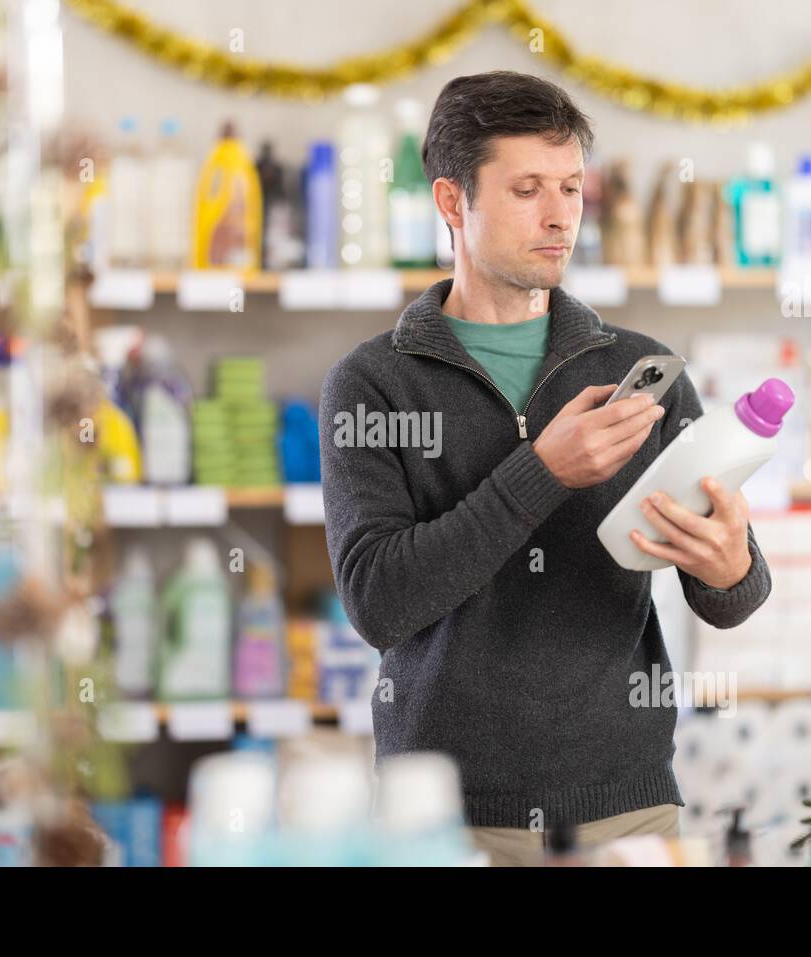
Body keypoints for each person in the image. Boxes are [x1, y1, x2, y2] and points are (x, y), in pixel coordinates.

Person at [318, 70, 772, 867]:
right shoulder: (373, 383)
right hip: (443, 820)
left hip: (626, 810)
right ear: (453, 202)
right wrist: (542, 470)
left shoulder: (641, 367)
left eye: (570, 186)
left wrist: (730, 561)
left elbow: (732, 596)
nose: (560, 213)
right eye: (527, 189)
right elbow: (379, 602)